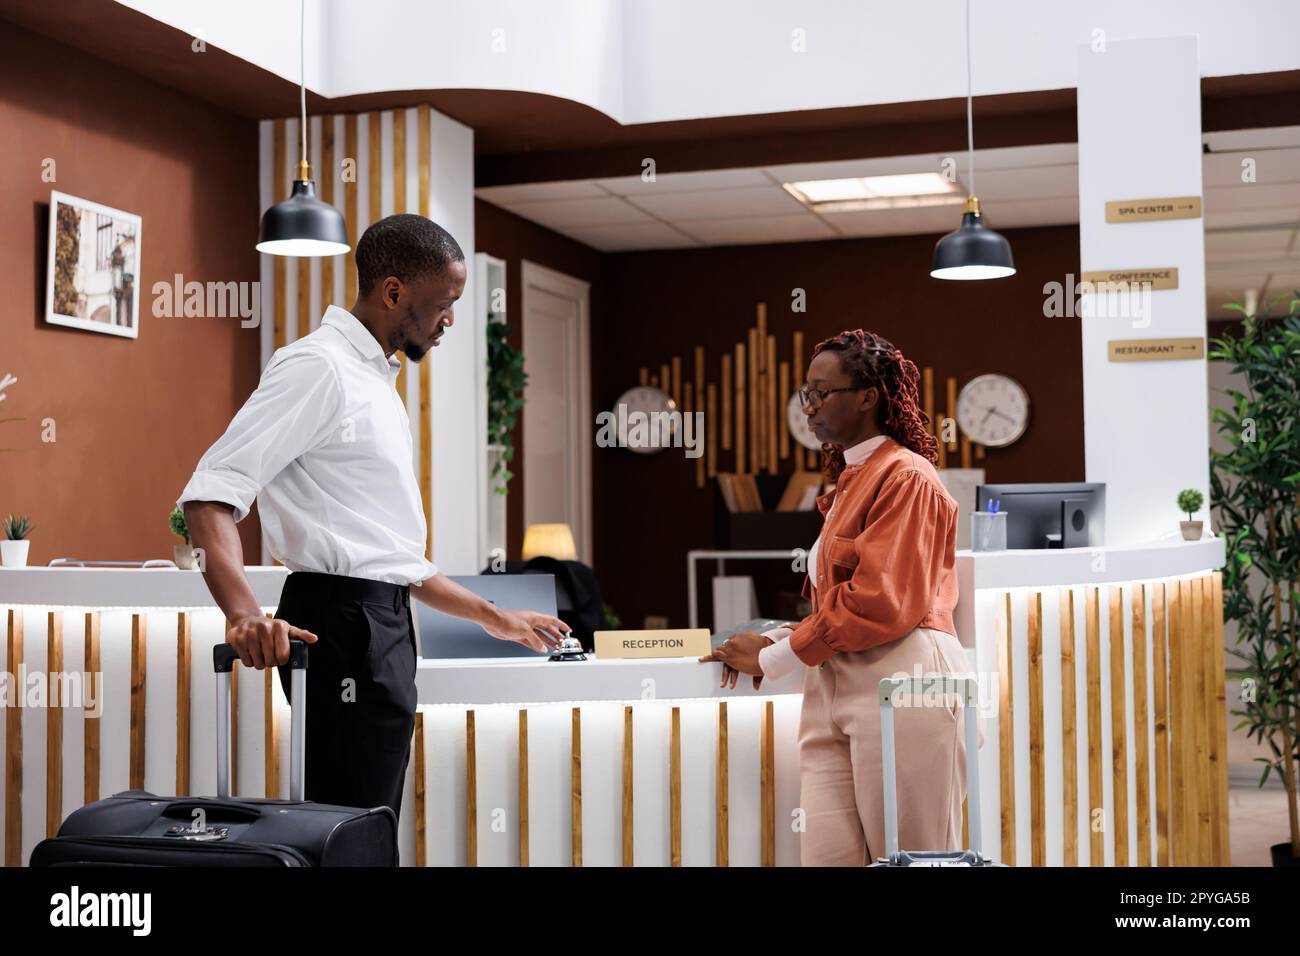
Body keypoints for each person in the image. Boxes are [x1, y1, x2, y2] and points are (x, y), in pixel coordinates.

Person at [179, 214, 569, 822]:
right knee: (349, 830)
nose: (450, 320)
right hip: (341, 625)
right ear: (393, 292)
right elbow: (210, 493)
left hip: (379, 623)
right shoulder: (319, 366)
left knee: (368, 826)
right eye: (444, 303)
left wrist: (496, 619)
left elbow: (389, 558)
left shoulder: (372, 379)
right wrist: (244, 615)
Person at [699, 329, 981, 866]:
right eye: (806, 393)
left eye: (822, 393)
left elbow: (880, 603)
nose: (809, 407)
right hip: (833, 688)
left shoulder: (908, 477)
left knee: (913, 863)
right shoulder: (852, 478)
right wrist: (782, 635)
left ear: (869, 396)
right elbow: (843, 603)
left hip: (908, 685)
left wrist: (773, 656)